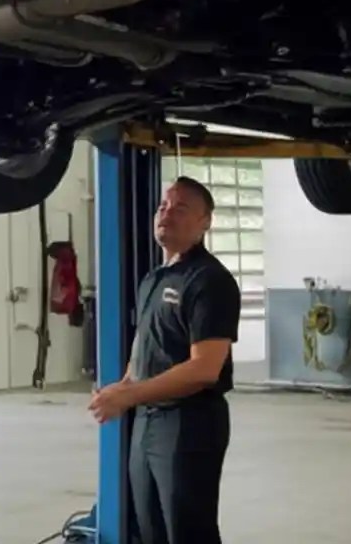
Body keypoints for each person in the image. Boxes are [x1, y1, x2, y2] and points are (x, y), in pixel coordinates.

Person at [87, 175, 241, 544]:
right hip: (148, 422)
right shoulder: (153, 279)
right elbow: (145, 345)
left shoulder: (210, 281)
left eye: (181, 208)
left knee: (187, 531)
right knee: (149, 528)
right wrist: (123, 385)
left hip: (190, 423)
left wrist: (130, 396)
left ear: (205, 222)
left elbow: (205, 368)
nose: (167, 214)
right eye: (163, 206)